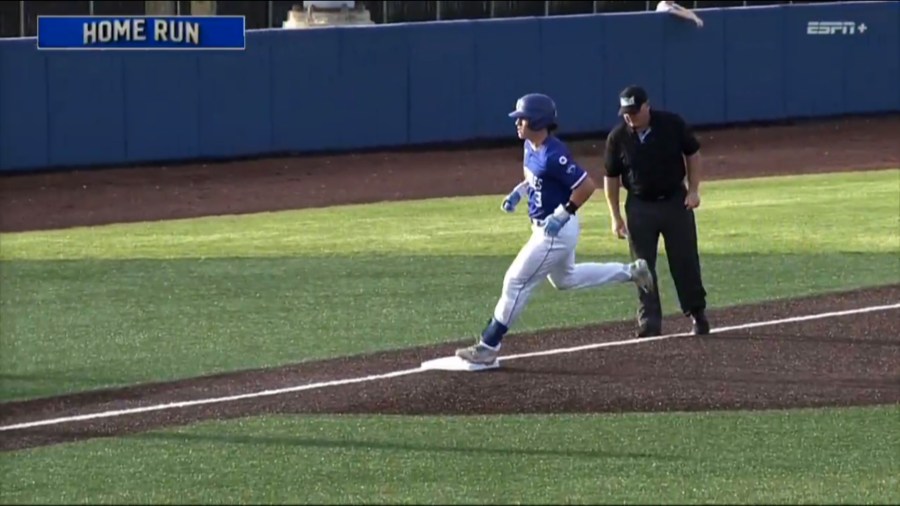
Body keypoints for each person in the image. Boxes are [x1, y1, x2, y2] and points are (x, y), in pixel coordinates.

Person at [455, 93, 654, 366]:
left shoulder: (554, 154)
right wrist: (519, 192)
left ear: (537, 121)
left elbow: (586, 187)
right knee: (566, 279)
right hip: (547, 228)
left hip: (554, 233)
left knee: (515, 281)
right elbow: (536, 181)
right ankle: (631, 272)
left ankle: (489, 345)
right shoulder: (530, 147)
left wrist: (563, 213)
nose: (517, 124)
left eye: (521, 119)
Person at [603, 85, 710, 338]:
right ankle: (649, 321)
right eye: (626, 113)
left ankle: (697, 313)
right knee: (642, 266)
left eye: (635, 111)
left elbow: (693, 154)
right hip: (640, 206)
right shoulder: (618, 138)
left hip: (675, 201)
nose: (630, 117)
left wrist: (693, 190)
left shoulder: (671, 124)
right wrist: (615, 216)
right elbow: (611, 176)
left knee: (685, 261)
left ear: (647, 106)